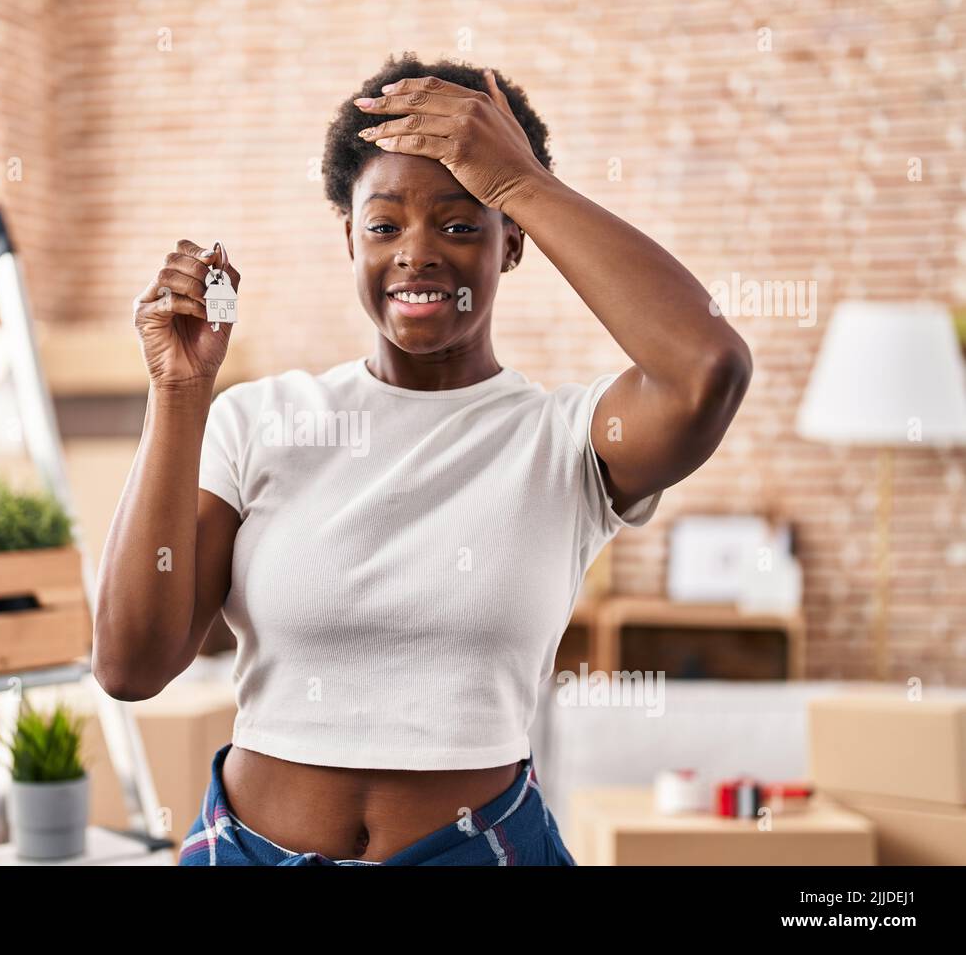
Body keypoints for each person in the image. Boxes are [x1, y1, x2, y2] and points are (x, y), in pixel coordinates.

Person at [96, 52, 752, 866]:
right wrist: (178, 392)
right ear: (350, 240)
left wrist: (520, 182)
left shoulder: (568, 440)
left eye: (461, 221)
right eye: (384, 225)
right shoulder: (258, 420)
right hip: (247, 851)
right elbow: (129, 664)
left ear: (513, 243)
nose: (418, 252)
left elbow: (706, 370)